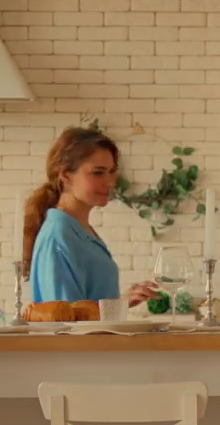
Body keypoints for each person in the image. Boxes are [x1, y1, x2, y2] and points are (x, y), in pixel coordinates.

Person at [23, 125, 157, 305]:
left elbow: (85, 305)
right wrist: (119, 304)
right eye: (98, 173)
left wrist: (121, 301)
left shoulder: (80, 230)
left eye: (111, 172)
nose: (109, 182)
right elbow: (64, 320)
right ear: (66, 175)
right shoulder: (58, 233)